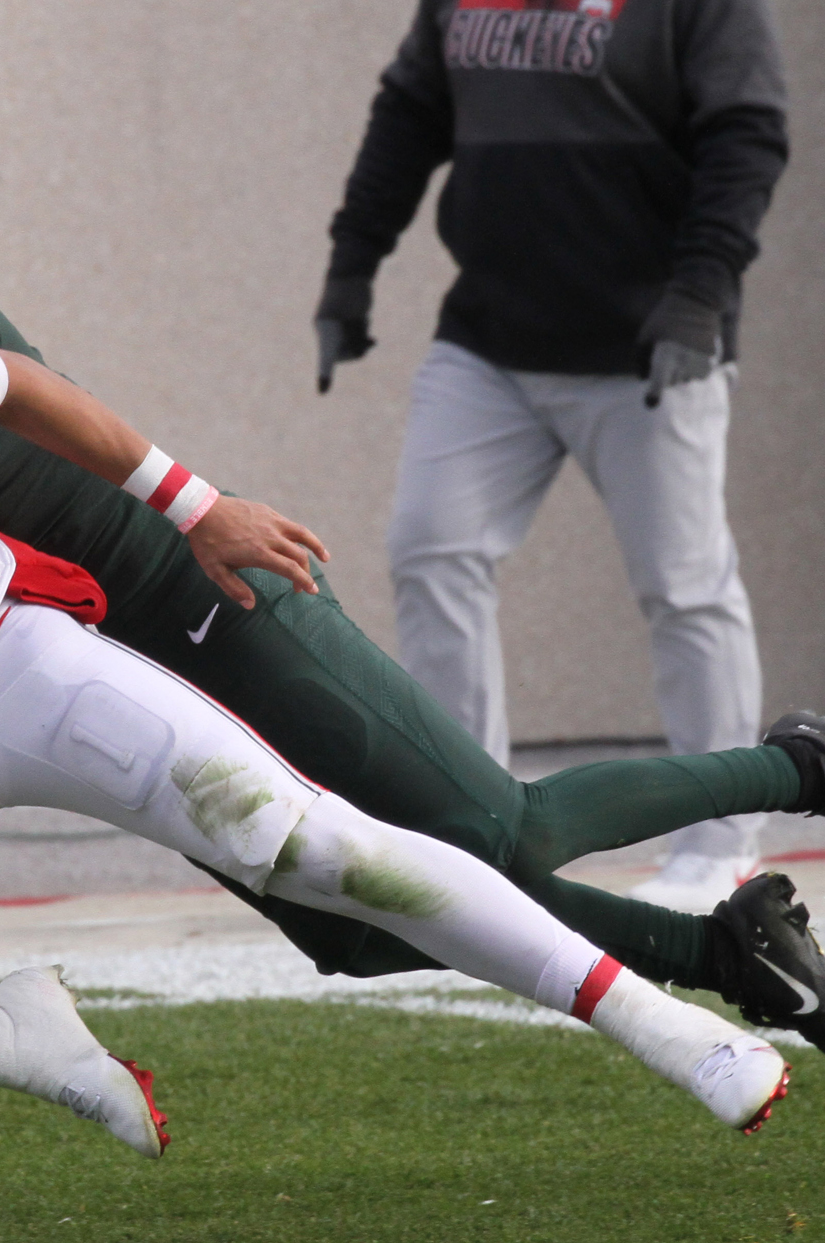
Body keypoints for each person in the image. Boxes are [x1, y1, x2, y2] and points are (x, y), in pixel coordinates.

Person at [0, 87, 825, 1097]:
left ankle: (802, 767)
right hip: (55, 649)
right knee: (353, 932)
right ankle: (728, 948)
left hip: (177, 592)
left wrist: (195, 505)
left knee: (489, 833)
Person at [0, 252, 824, 1151]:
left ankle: (657, 1020)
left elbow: (3, 388)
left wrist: (195, 506)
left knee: (307, 844)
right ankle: (10, 1040)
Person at [314, 0, 790, 912]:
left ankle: (720, 845)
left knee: (684, 584)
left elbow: (748, 135)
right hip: (491, 339)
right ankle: (472, 832)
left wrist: (703, 291)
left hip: (650, 338)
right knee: (431, 545)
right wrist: (353, 265)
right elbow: (411, 112)